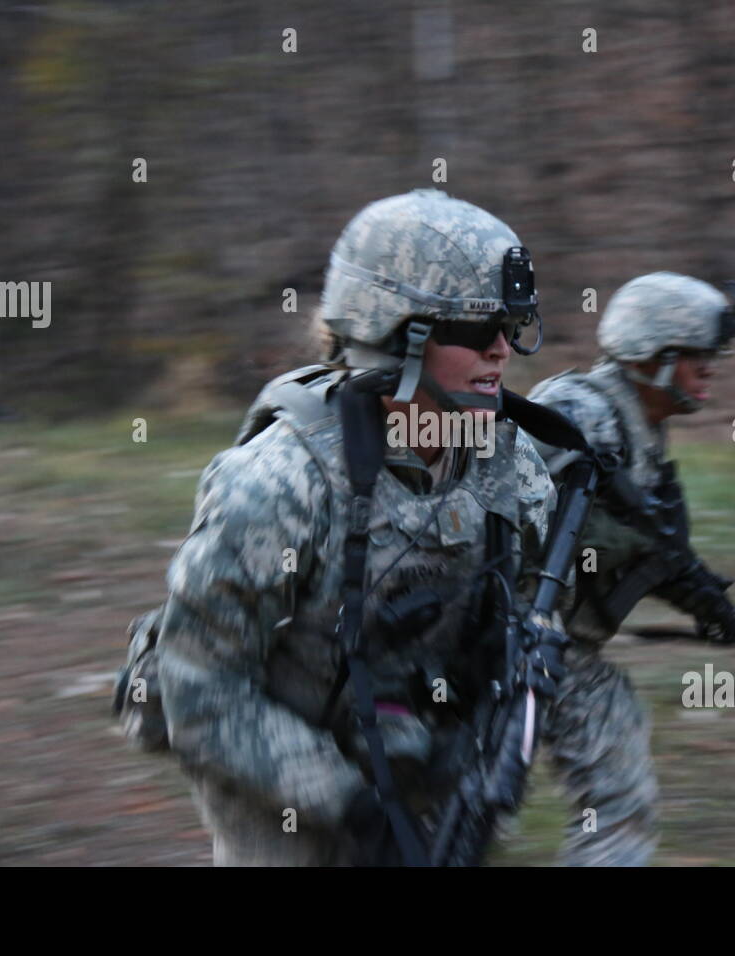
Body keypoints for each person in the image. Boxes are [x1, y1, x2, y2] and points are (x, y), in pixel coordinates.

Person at [114, 189, 574, 866]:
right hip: (280, 779)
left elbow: (537, 612)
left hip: (424, 760)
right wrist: (355, 808)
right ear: (395, 333)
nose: (503, 352)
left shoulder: (511, 466)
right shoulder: (278, 485)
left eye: (512, 327)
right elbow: (200, 692)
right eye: (478, 331)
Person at [527, 271, 735, 866]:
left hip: (557, 654)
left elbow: (663, 552)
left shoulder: (642, 437)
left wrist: (731, 623)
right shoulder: (575, 414)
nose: (712, 367)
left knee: (621, 800)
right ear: (655, 357)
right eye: (700, 355)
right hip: (495, 642)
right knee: (458, 809)